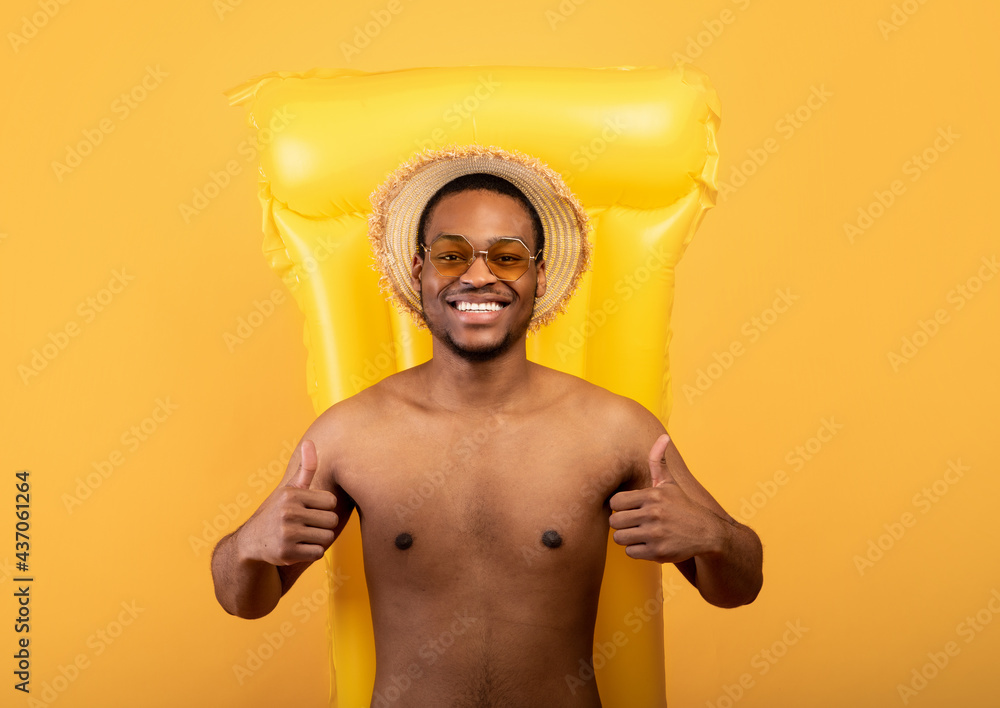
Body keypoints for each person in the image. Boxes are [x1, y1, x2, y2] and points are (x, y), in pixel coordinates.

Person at [211, 145, 763, 707]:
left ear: (539, 277)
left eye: (507, 256)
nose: (479, 277)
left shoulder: (615, 428)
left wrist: (714, 539)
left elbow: (740, 587)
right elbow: (244, 601)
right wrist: (249, 545)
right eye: (452, 255)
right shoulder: (348, 435)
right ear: (419, 271)